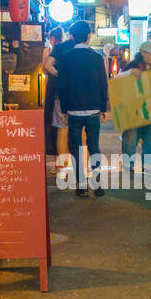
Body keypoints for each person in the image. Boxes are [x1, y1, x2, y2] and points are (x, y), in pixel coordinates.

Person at [53, 20, 109, 198]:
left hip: (74, 111)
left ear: (71, 37)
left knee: (76, 148)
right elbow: (103, 84)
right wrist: (103, 108)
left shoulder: (65, 58)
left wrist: (64, 110)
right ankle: (98, 184)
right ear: (89, 37)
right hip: (93, 110)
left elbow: (62, 86)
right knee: (94, 146)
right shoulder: (97, 58)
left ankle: (81, 186)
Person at [118, 40, 151, 179]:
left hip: (149, 110)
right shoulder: (131, 66)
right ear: (142, 53)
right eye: (150, 54)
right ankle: (127, 165)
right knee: (131, 138)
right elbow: (118, 79)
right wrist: (132, 72)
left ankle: (149, 166)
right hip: (133, 110)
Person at [42, 26, 69, 160]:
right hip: (69, 90)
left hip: (54, 89)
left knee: (58, 126)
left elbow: (45, 68)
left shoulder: (50, 50)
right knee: (71, 127)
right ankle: (69, 159)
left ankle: (60, 161)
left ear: (52, 38)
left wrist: (58, 74)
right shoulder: (67, 49)